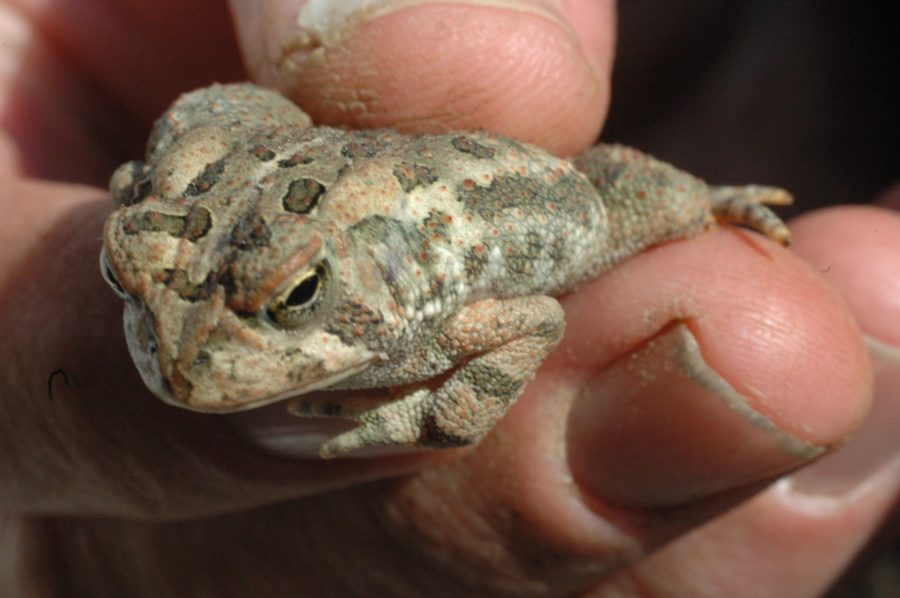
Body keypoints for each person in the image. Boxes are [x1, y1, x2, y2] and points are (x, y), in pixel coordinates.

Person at [1, 1, 897, 595]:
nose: (176, 353)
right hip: (295, 163)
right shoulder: (189, 236)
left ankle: (712, 194)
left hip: (528, 197)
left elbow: (532, 317)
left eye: (296, 299)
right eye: (127, 281)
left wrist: (438, 416)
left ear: (335, 282)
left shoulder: (413, 305)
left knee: (661, 204)